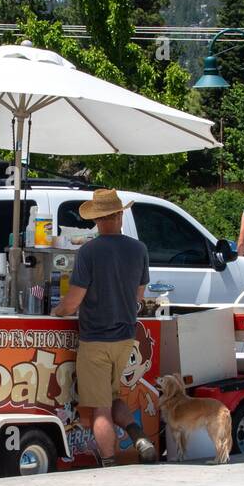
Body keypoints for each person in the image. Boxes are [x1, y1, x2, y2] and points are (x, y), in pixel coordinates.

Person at [52, 188, 156, 466]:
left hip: (95, 340)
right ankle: (138, 436)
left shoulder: (88, 251)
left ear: (97, 220)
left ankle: (109, 463)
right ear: (120, 215)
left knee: (99, 408)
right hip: (125, 338)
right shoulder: (139, 249)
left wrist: (58, 310)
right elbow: (138, 296)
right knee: (112, 397)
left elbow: (73, 302)